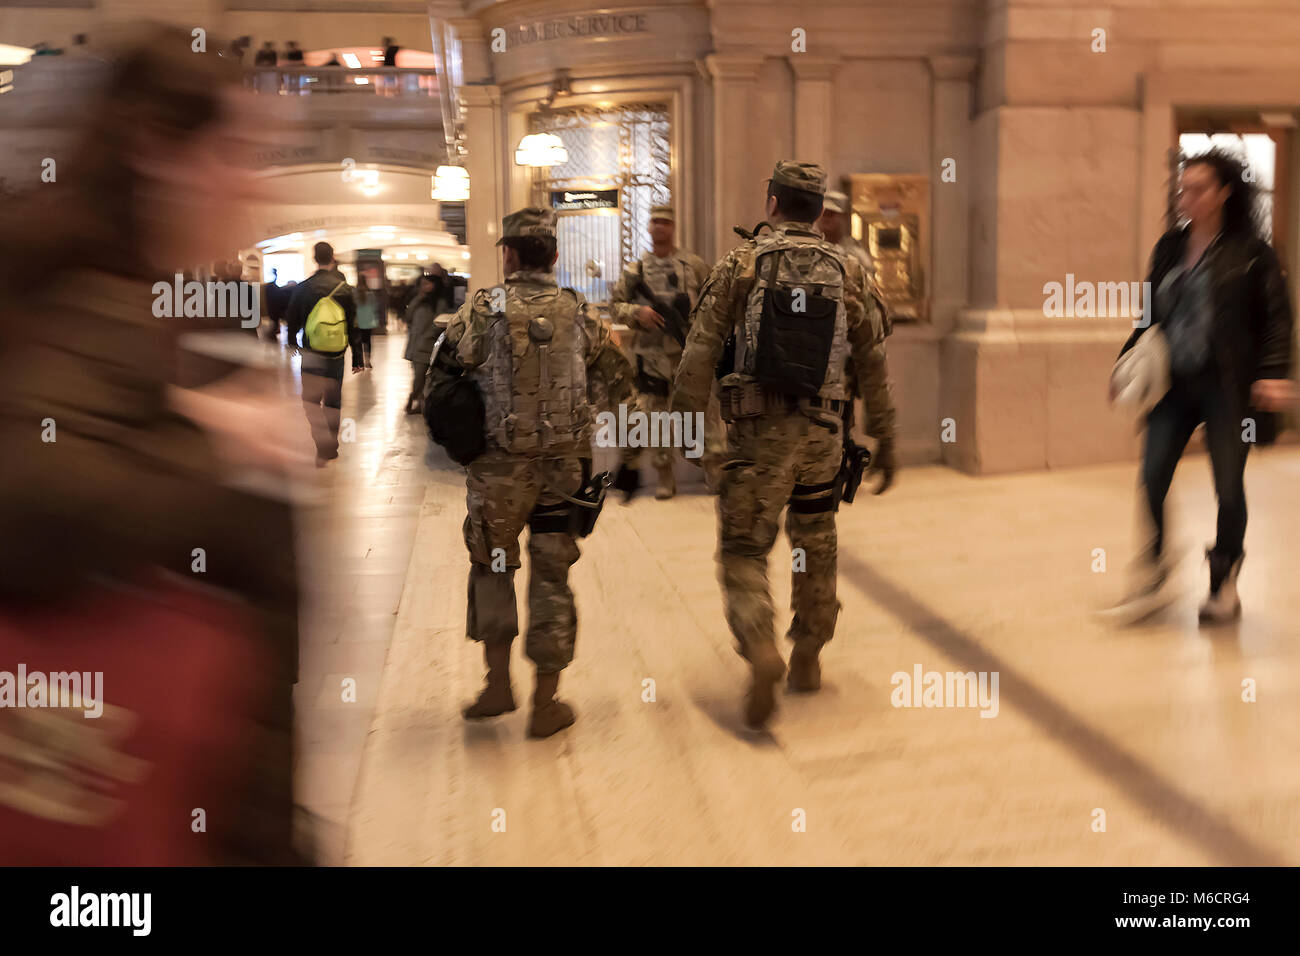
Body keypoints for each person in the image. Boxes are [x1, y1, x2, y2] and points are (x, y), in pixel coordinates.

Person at [0, 24, 307, 864]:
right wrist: (218, 445)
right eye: (238, 152)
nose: (254, 187)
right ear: (154, 148)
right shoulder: (93, 304)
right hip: (117, 802)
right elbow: (30, 500)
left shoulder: (181, 308)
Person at [672, 161, 897, 730]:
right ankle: (808, 658)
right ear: (820, 211)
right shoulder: (850, 269)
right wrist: (887, 433)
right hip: (824, 437)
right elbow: (873, 362)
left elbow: (698, 353)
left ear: (771, 202)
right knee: (815, 542)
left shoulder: (740, 263)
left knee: (745, 551)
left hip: (756, 436)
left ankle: (760, 649)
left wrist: (684, 428)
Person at [441, 206, 637, 738]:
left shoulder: (483, 308)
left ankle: (498, 686)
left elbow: (447, 370)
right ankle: (547, 703)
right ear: (553, 255)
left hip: (498, 474)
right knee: (553, 576)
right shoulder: (579, 311)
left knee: (493, 569)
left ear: (507, 255)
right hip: (562, 473)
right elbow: (621, 383)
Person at [1107, 148, 1293, 624]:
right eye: (1183, 189)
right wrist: (1127, 358)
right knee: (1151, 476)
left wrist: (1273, 373)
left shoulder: (1253, 253)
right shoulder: (1170, 246)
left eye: (1199, 188)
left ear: (1224, 193)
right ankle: (1154, 568)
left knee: (1228, 487)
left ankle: (1223, 577)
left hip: (1228, 386)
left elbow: (1276, 318)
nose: (1187, 197)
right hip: (1174, 383)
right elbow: (1148, 313)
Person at [607, 204, 712, 499]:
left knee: (700, 417)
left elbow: (714, 301)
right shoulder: (635, 269)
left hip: (687, 355)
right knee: (655, 420)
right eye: (655, 222)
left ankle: (714, 472)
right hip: (650, 357)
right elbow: (615, 305)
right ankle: (665, 477)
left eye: (666, 222)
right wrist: (636, 311)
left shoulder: (693, 265)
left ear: (673, 227)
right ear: (649, 227)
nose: (660, 227)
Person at [286, 241, 356, 465]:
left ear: (315, 258)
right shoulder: (344, 288)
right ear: (332, 257)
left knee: (311, 401)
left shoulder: (304, 287)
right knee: (334, 401)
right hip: (336, 353)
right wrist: (359, 357)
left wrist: (291, 344)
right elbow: (354, 325)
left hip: (312, 352)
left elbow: (292, 320)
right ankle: (332, 446)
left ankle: (321, 442)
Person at [403, 273, 440, 413]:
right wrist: (418, 298)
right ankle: (419, 403)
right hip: (414, 344)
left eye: (427, 284)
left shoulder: (438, 302)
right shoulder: (418, 300)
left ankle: (412, 398)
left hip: (427, 345)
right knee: (418, 375)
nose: (424, 287)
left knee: (420, 375)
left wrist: (427, 336)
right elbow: (408, 316)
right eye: (422, 284)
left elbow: (438, 322)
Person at [818, 189, 874, 278]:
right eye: (823, 214)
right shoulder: (811, 248)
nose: (826, 218)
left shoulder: (856, 256)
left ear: (844, 217)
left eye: (831, 214)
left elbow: (867, 287)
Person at [352, 279, 379, 372]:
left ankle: (361, 362)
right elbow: (374, 307)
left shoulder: (354, 294)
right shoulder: (370, 294)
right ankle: (368, 360)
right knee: (368, 342)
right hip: (368, 321)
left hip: (358, 321)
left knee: (358, 342)